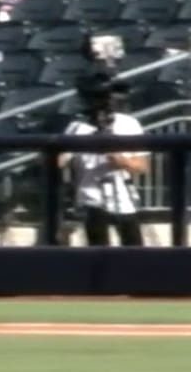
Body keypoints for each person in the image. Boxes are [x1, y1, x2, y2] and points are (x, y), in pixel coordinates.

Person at [61, 71, 148, 247]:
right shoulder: (77, 127)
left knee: (135, 252)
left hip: (123, 201)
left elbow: (141, 166)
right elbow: (59, 161)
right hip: (91, 200)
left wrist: (119, 159)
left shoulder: (129, 124)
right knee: (99, 250)